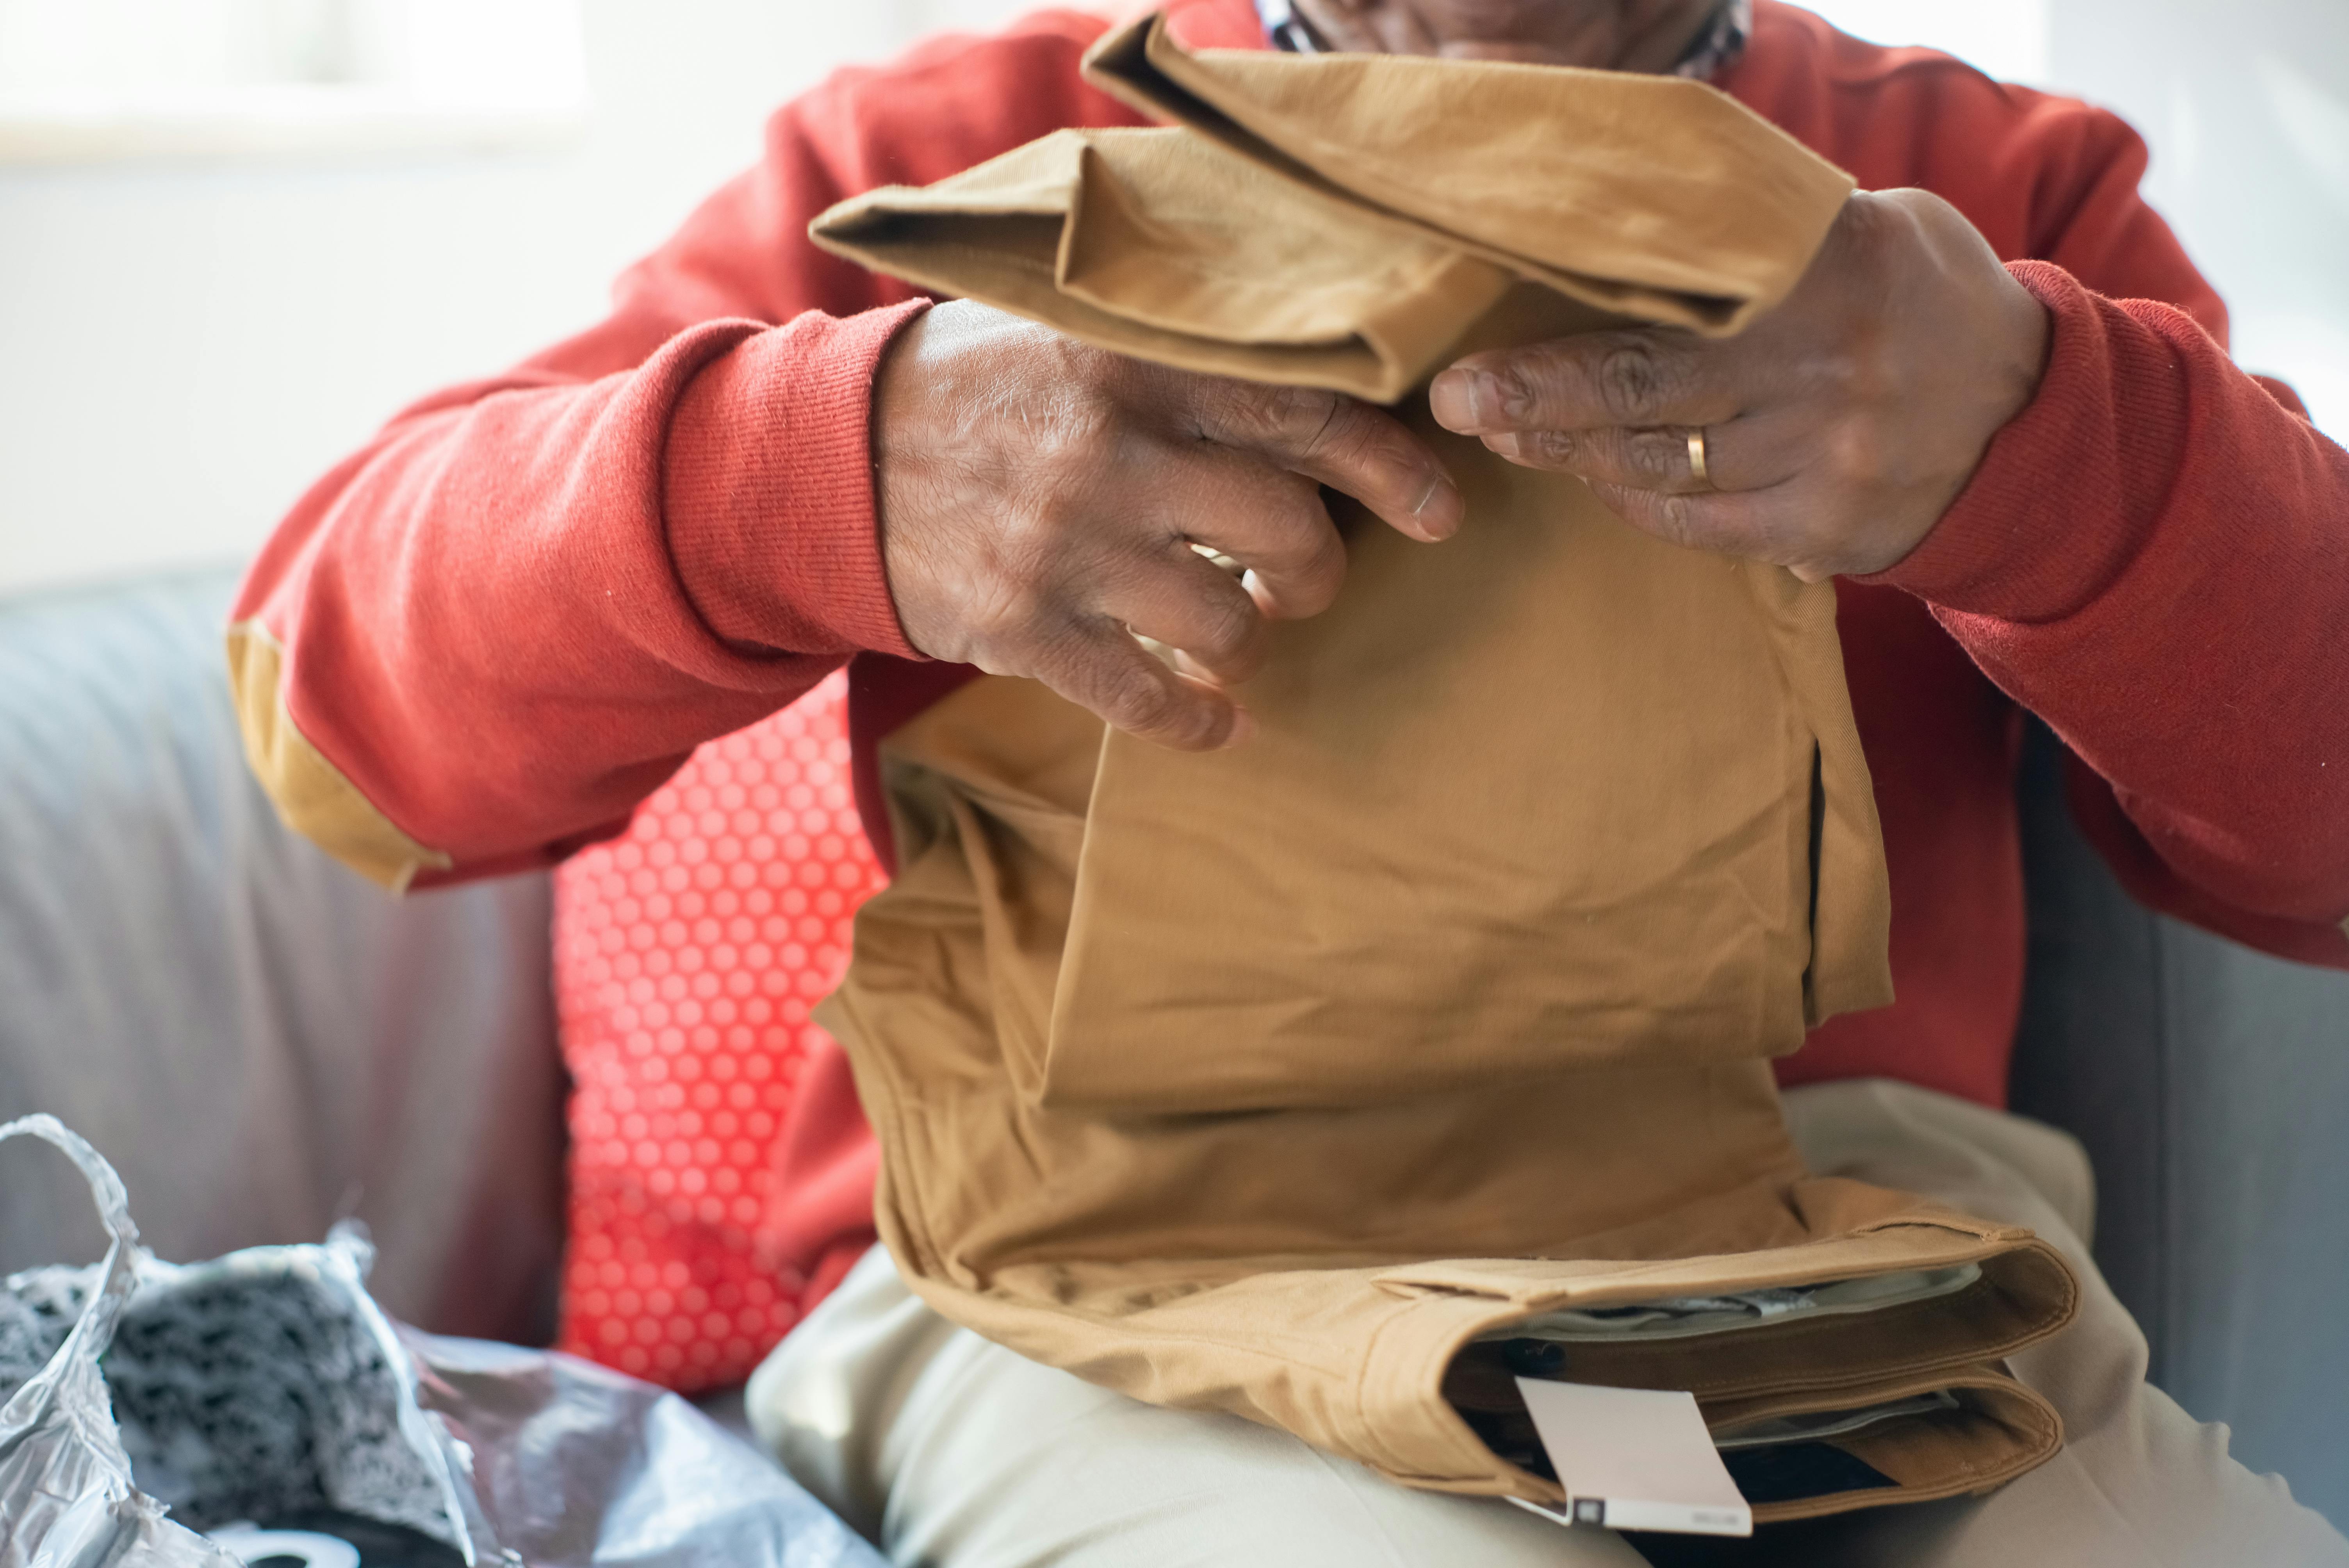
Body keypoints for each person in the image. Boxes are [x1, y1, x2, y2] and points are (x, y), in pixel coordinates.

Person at [230, 0, 2349, 1560]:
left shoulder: (1995, 212)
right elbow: (342, 735)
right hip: (1091, 1283)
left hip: (1849, 1264)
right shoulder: (944, 152)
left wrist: (2058, 445)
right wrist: (823, 473)